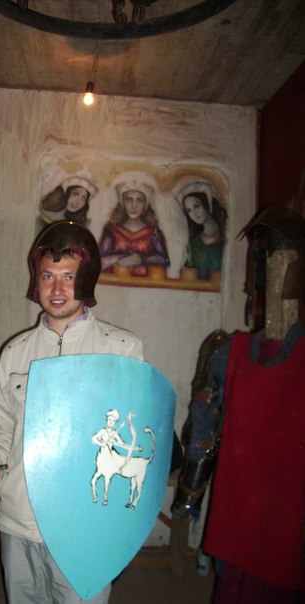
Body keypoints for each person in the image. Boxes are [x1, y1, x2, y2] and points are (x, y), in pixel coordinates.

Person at [0, 220, 144, 604]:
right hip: (20, 517)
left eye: (69, 277)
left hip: (86, 526)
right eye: (48, 276)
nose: (57, 289)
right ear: (36, 280)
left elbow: (133, 433)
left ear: (87, 279)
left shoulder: (122, 350)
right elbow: (3, 425)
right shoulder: (15, 352)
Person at [172, 205, 305, 601]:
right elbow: (202, 434)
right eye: (268, 259)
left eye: (283, 260)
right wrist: (189, 497)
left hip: (290, 521)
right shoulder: (227, 352)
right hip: (238, 514)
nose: (273, 270)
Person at [99, 175, 169, 276]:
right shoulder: (111, 231)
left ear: (145, 204)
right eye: (129, 199)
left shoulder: (153, 233)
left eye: (140, 200)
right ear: (122, 202)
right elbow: (99, 262)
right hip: (115, 283)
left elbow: (164, 260)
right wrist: (123, 258)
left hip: (145, 284)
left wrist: (140, 259)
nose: (134, 206)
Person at [176, 182, 227, 280]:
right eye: (189, 210)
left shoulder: (226, 234)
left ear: (207, 204)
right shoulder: (193, 243)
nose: (194, 214)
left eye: (197, 206)